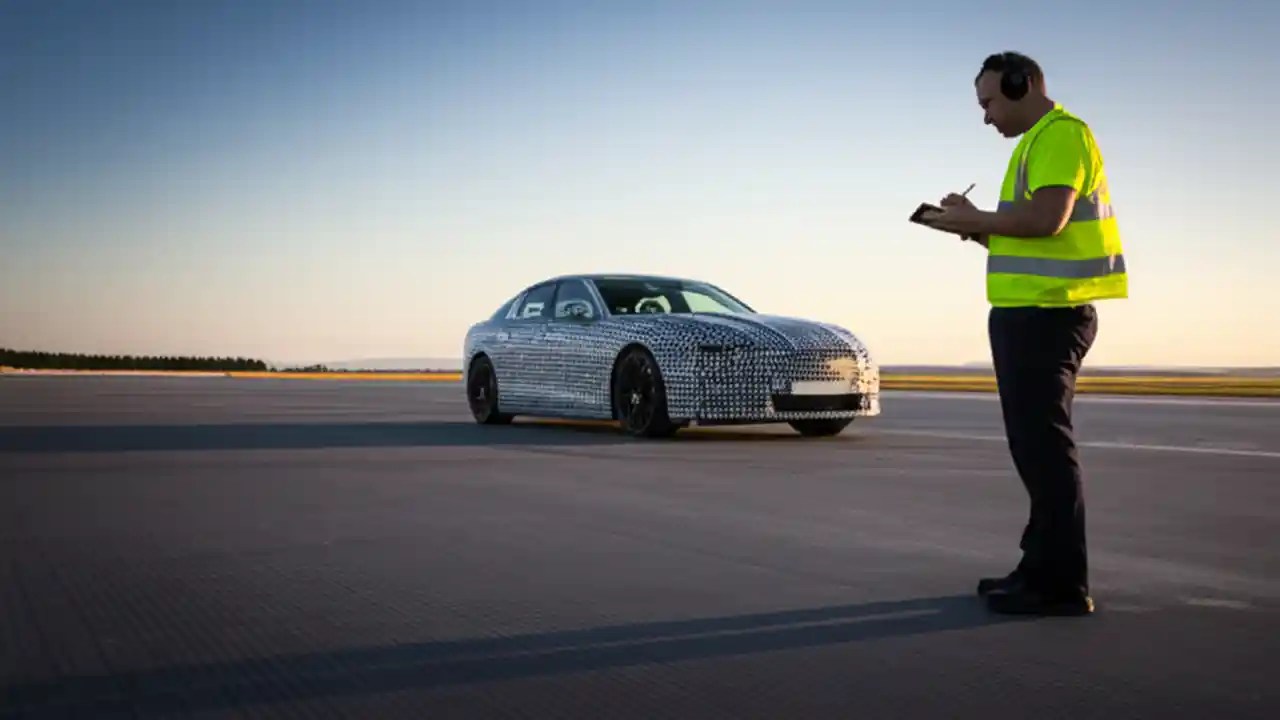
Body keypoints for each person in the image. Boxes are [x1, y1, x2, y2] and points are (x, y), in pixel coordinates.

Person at [923, 51, 1128, 616]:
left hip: (1047, 315)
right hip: (1026, 313)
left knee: (1045, 451)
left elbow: (1048, 220)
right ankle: (1039, 566)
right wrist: (971, 226)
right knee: (1033, 450)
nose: (986, 115)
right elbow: (1030, 236)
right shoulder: (1032, 146)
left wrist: (980, 219)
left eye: (990, 101)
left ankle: (1061, 584)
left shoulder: (1061, 135)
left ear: (1025, 83)